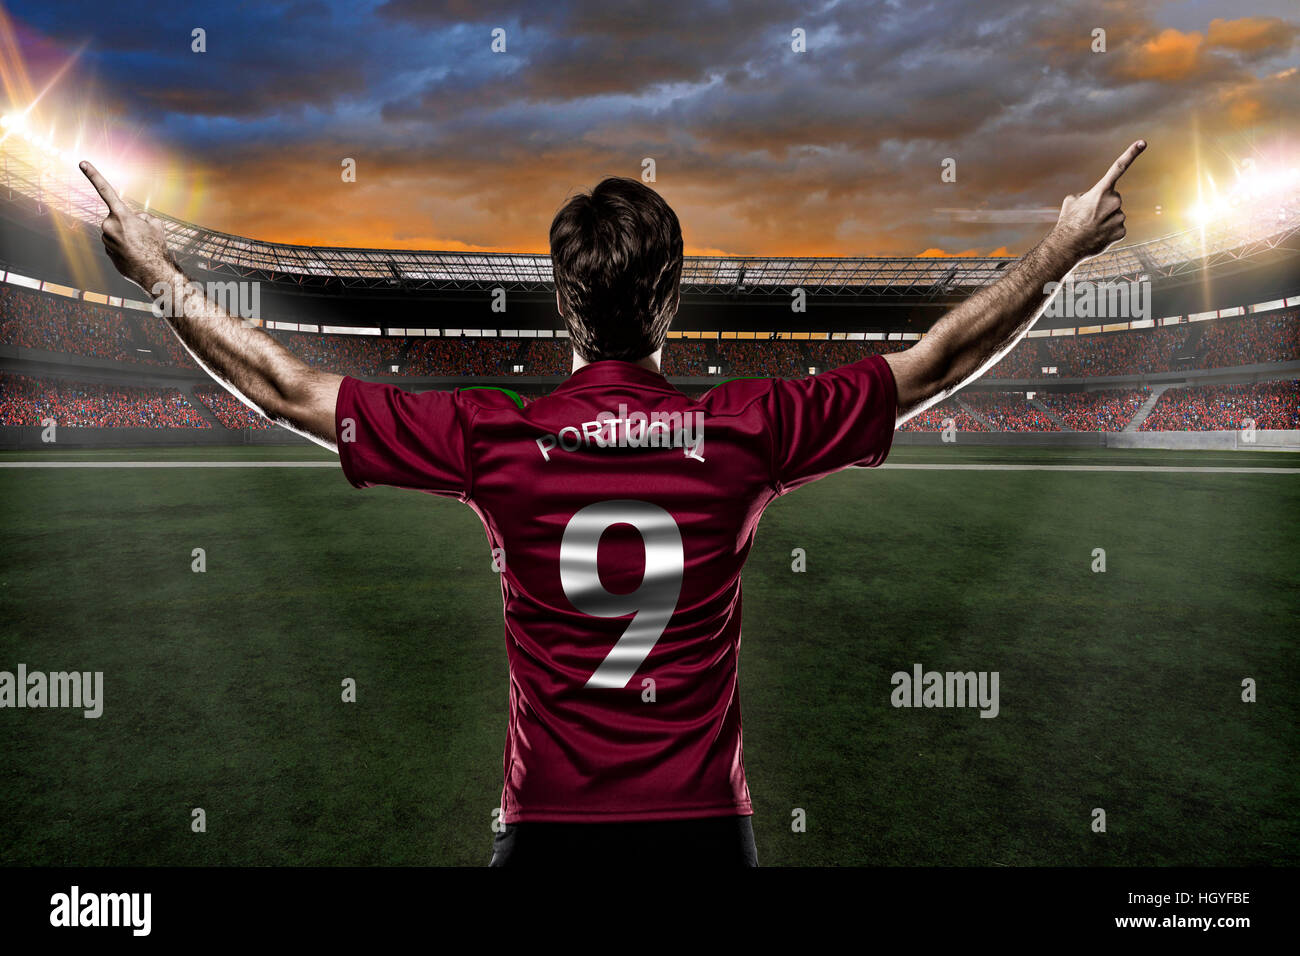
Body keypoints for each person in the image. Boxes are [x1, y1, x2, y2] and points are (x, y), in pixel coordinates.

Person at [80, 140, 1143, 866]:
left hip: (550, 830)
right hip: (701, 832)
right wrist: (1058, 249)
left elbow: (287, 388)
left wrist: (158, 274)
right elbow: (932, 364)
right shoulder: (743, 430)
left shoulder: (499, 441)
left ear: (560, 301)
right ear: (673, 297)